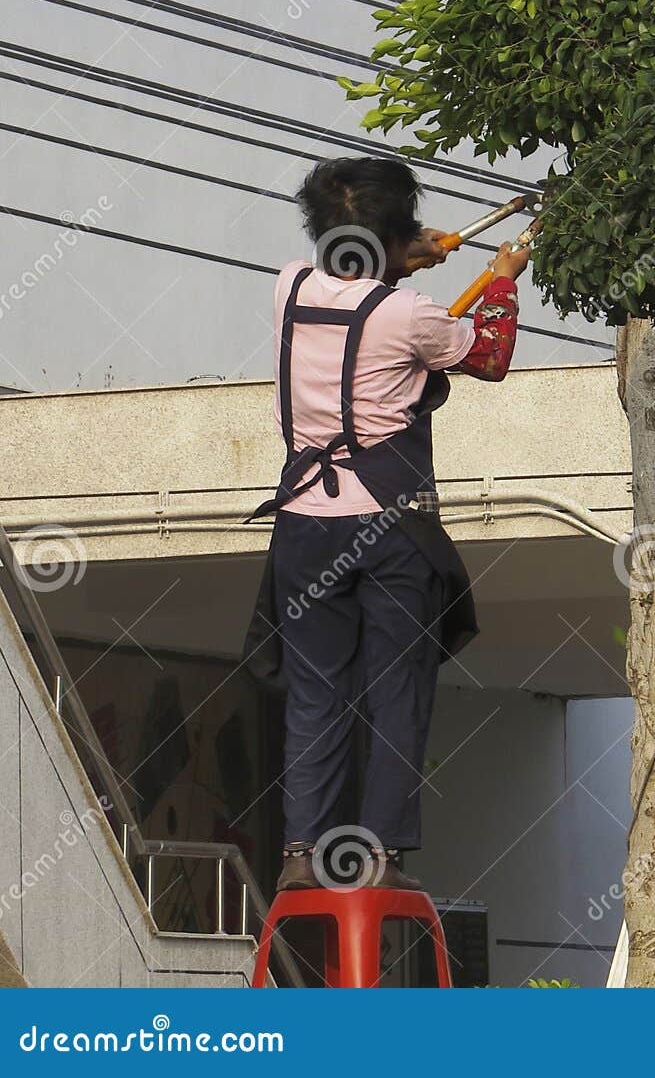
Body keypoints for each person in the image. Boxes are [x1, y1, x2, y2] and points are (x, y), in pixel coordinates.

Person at [241, 157, 529, 891]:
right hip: (391, 524)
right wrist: (501, 279)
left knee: (316, 691)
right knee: (397, 688)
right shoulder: (412, 315)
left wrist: (403, 250)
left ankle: (301, 855)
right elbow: (489, 357)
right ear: (394, 236)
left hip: (305, 521)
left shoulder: (288, 289)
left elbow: (354, 283)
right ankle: (381, 856)